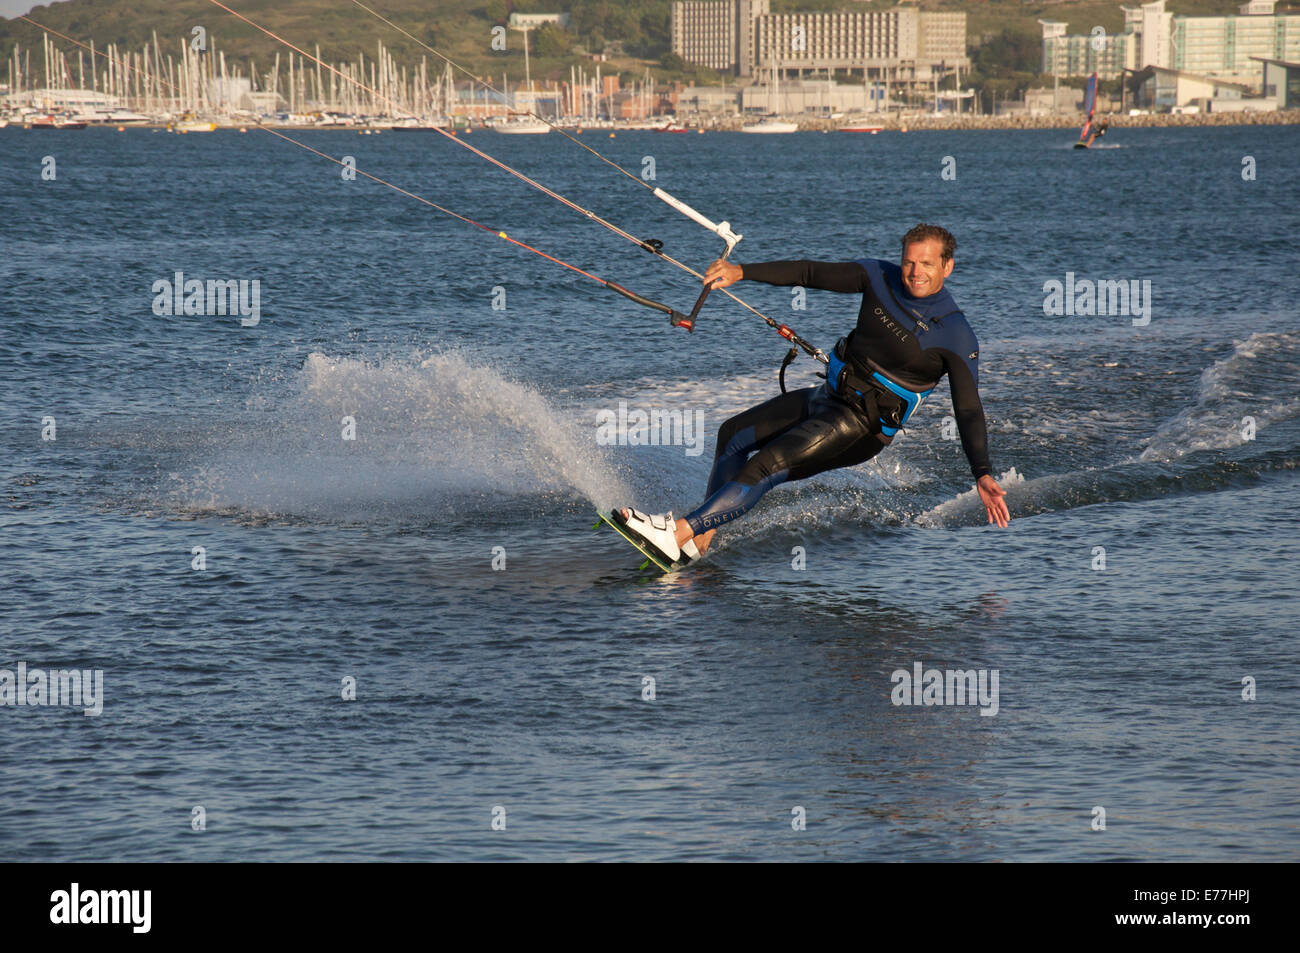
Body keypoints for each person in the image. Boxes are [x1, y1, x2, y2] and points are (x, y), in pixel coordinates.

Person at [614, 223, 1010, 566]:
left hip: (860, 427)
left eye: (926, 263)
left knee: (766, 466)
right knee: (732, 435)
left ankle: (677, 533)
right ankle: (699, 541)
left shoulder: (955, 334)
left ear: (947, 266)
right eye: (909, 262)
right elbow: (809, 272)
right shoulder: (879, 277)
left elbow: (968, 410)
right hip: (827, 397)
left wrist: (982, 473)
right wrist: (741, 272)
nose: (915, 272)